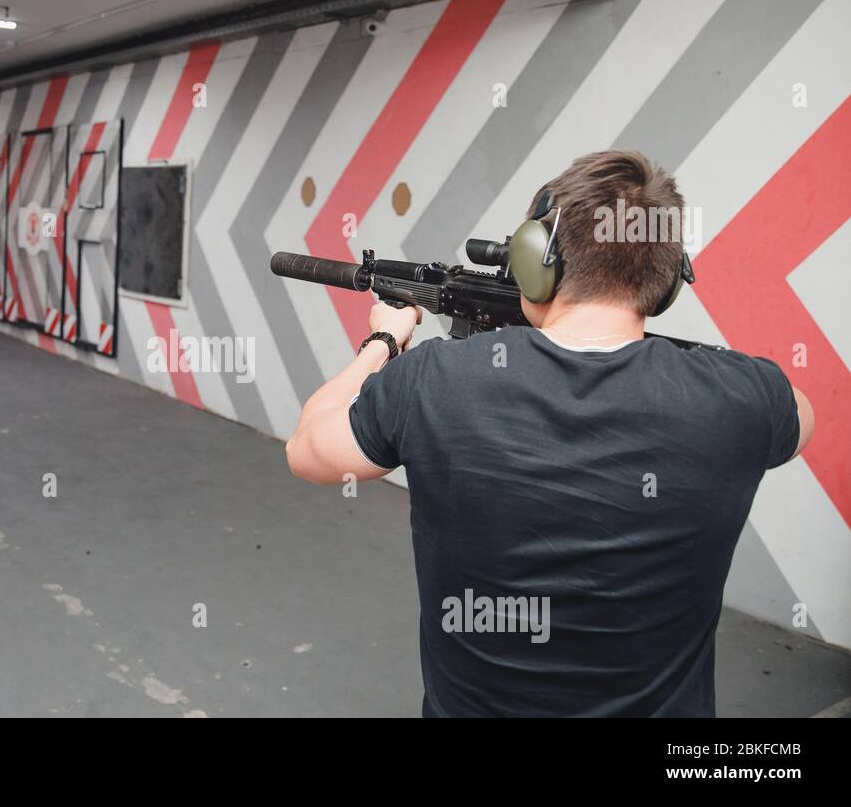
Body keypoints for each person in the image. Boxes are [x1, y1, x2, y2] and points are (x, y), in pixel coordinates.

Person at [285, 150, 815, 717]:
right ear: (666, 282)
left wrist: (382, 344)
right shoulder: (745, 397)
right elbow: (801, 416)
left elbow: (308, 452)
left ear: (536, 261)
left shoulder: (434, 380)